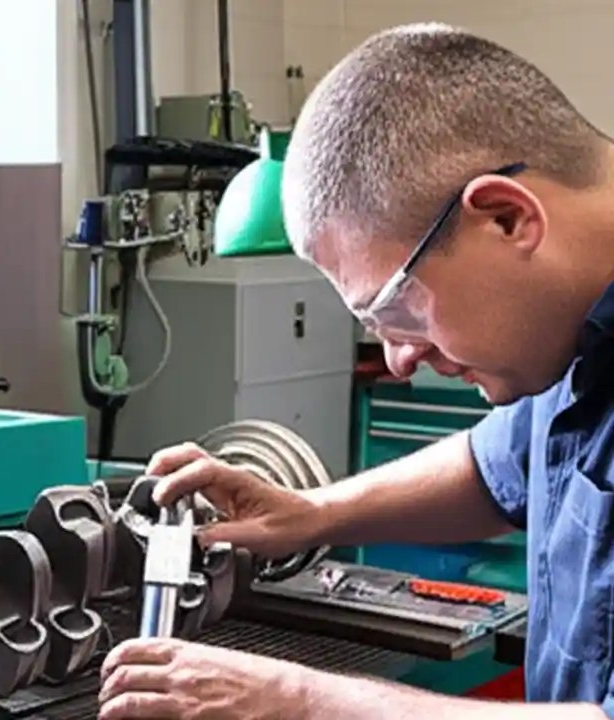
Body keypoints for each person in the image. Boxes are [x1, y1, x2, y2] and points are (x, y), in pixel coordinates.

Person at [98, 22, 614, 720]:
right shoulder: (572, 343)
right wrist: (311, 514)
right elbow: (502, 467)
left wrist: (293, 698)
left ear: (504, 218)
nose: (399, 359)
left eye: (399, 310)